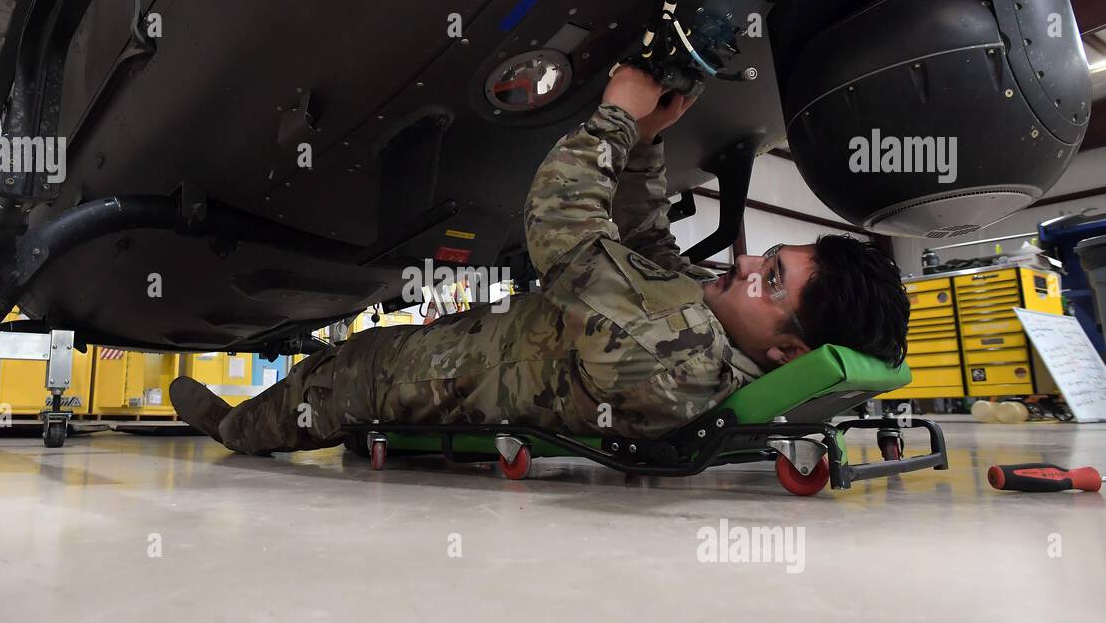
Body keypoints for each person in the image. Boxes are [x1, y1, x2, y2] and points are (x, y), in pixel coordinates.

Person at [170, 66, 909, 454]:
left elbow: (563, 230)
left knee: (340, 376)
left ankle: (235, 431)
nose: (749, 266)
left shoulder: (669, 361)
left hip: (435, 381)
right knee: (349, 361)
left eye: (771, 282)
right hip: (471, 349)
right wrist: (649, 142)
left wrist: (616, 115)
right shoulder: (712, 325)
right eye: (768, 257)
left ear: (786, 350)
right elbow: (645, 244)